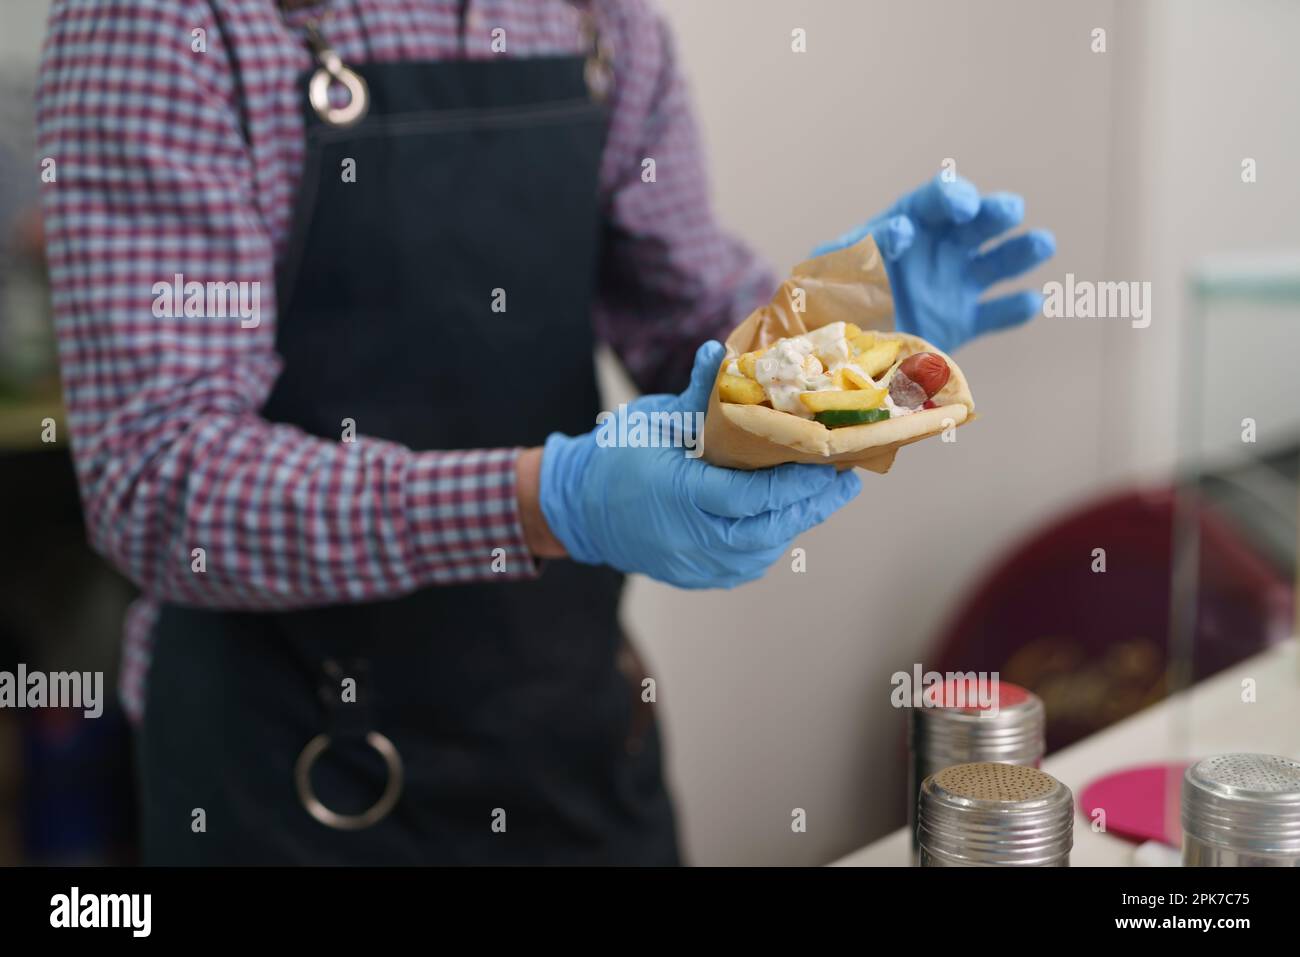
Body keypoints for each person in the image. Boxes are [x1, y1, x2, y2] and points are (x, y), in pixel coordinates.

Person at [36, 0, 1055, 865]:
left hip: (573, 750)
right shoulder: (177, 21)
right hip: (293, 784)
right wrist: (543, 502)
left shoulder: (593, 17)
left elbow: (684, 317)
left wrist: (840, 349)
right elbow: (158, 480)